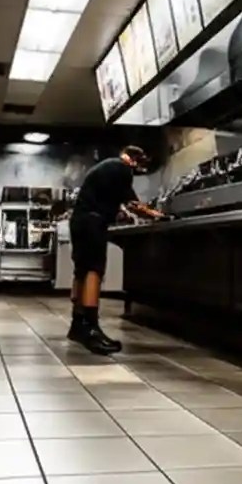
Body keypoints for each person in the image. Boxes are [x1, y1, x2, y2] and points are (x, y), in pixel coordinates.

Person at [68, 146, 165, 354]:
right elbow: (133, 204)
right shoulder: (122, 168)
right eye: (141, 164)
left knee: (81, 271)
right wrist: (158, 214)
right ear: (134, 159)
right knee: (95, 271)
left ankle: (77, 325)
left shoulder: (107, 167)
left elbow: (117, 202)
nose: (139, 169)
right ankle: (92, 329)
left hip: (79, 220)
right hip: (93, 222)